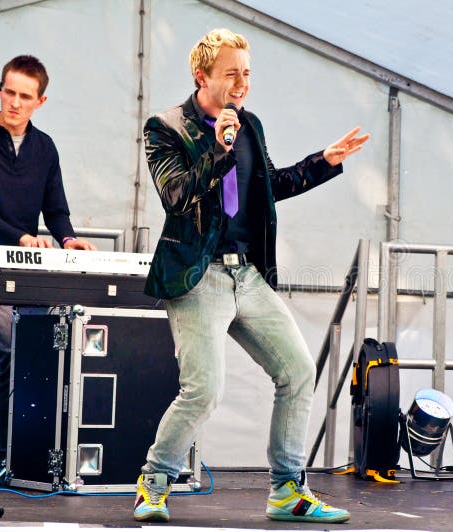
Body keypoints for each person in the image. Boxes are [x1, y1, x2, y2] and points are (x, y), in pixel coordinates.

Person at [134, 28, 368, 524]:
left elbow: (268, 187)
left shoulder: (250, 125)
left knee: (299, 372)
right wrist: (218, 149)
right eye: (231, 73)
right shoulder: (166, 127)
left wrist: (322, 162)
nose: (242, 83)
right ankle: (154, 483)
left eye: (247, 73)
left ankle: (288, 491)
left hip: (249, 275)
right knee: (205, 390)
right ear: (202, 77)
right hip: (198, 275)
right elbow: (176, 196)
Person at [0, 55, 96, 480]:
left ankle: (35, 456)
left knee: (44, 351)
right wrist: (19, 237)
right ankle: (4, 457)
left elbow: (56, 210)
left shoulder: (45, 147)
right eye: (8, 92)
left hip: (28, 265)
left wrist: (69, 239)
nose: (13, 102)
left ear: (41, 100)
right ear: (0, 90)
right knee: (14, 350)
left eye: (24, 96)